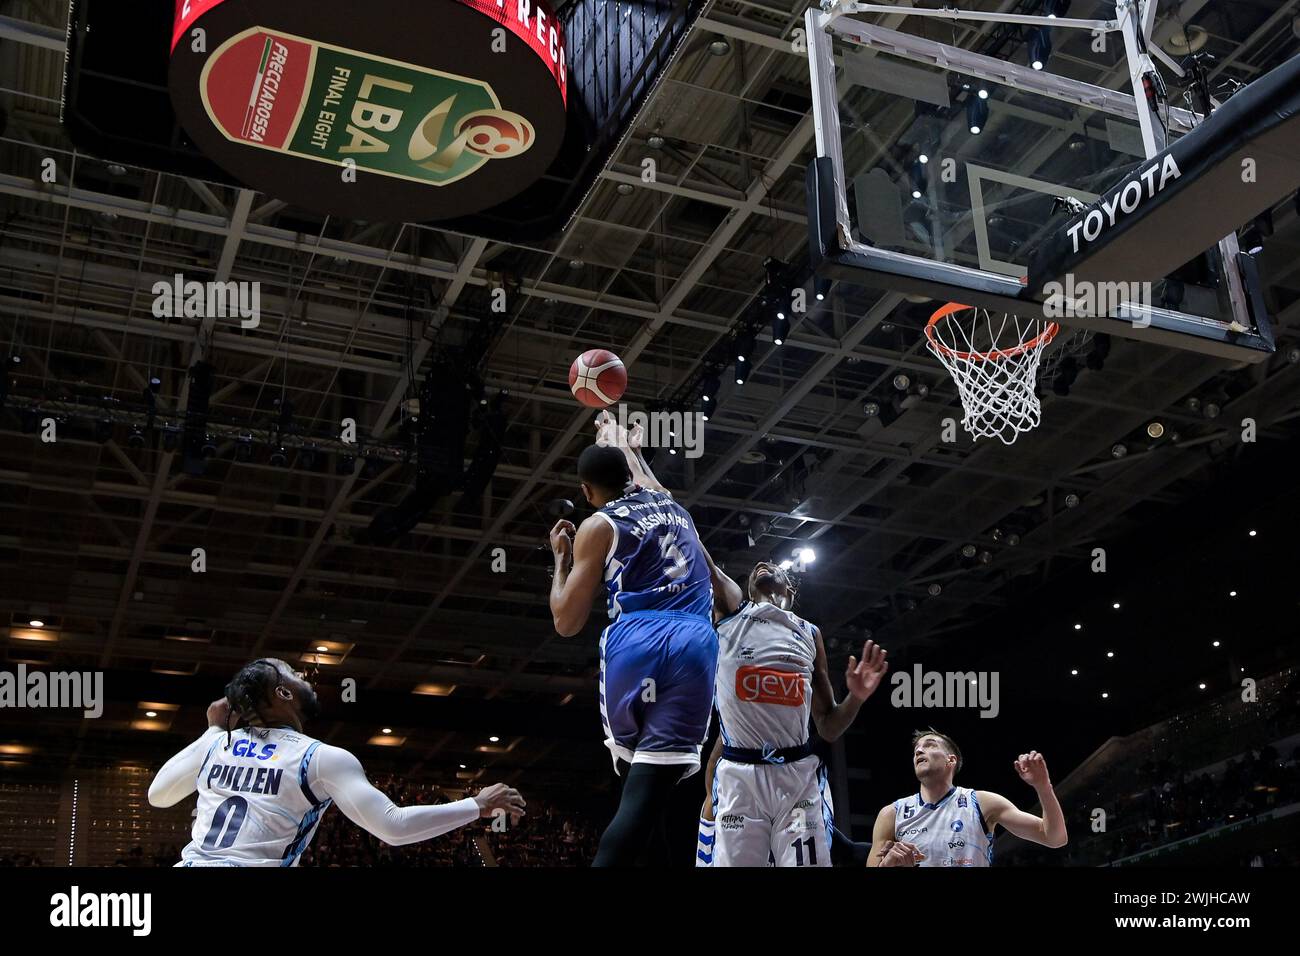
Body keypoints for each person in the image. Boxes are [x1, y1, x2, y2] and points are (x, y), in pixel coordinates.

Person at [148, 658, 525, 866]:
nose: (305, 679)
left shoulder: (216, 745)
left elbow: (159, 796)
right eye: (294, 675)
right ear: (282, 693)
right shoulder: (319, 758)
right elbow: (392, 828)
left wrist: (212, 731)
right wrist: (475, 805)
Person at [547, 412, 718, 866]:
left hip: (637, 643)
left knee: (640, 793)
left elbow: (566, 621)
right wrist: (627, 445)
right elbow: (646, 482)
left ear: (586, 492)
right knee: (647, 794)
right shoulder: (675, 508)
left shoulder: (597, 526)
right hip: (693, 644)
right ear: (630, 474)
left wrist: (560, 560)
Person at [694, 559, 888, 866]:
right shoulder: (733, 612)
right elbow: (706, 565)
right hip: (740, 773)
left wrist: (857, 697)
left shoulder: (810, 634)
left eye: (772, 564)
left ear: (791, 588)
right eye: (755, 566)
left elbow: (828, 726)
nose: (761, 563)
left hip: (796, 777)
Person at [867, 729, 1067, 867]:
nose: (919, 750)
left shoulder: (982, 803)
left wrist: (1043, 787)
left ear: (950, 760)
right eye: (916, 750)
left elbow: (1054, 838)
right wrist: (888, 863)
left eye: (929, 745)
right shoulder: (892, 813)